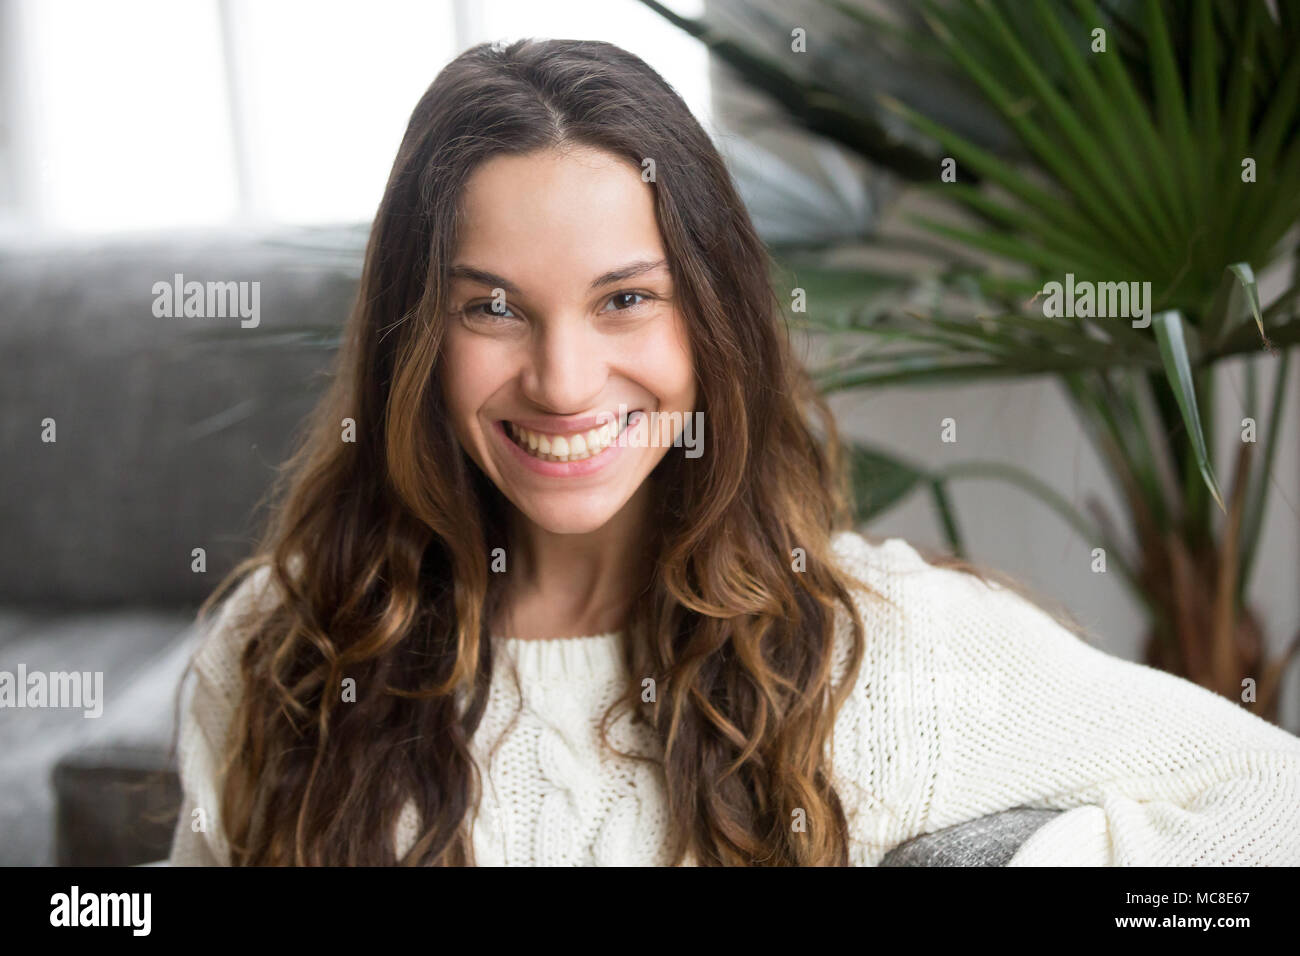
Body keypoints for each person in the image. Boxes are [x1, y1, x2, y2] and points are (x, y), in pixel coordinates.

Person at [168, 38, 1300, 866]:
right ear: (414, 340)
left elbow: (1270, 797)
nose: (562, 381)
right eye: (493, 308)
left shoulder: (880, 651)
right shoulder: (282, 650)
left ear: (712, 321)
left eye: (625, 299)